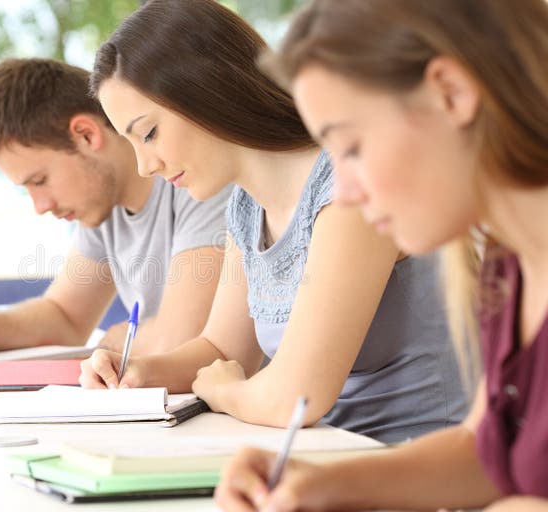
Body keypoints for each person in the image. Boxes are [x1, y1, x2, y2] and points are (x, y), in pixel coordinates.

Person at [80, 0, 466, 444]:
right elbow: (223, 350)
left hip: (415, 465)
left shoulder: (349, 187)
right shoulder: (245, 209)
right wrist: (138, 371)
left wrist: (225, 393)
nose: (145, 165)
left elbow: (294, 398)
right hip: (327, 455)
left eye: (148, 133)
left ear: (208, 91)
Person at [216, 0, 548, 510]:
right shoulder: (511, 262)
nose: (342, 191)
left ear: (451, 94)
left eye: (350, 148)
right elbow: (486, 454)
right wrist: (325, 484)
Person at [0, 58, 230, 358]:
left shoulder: (194, 180)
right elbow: (65, 317)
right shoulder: (103, 207)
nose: (40, 206)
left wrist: (115, 343)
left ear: (86, 134)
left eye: (40, 180)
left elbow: (183, 340)